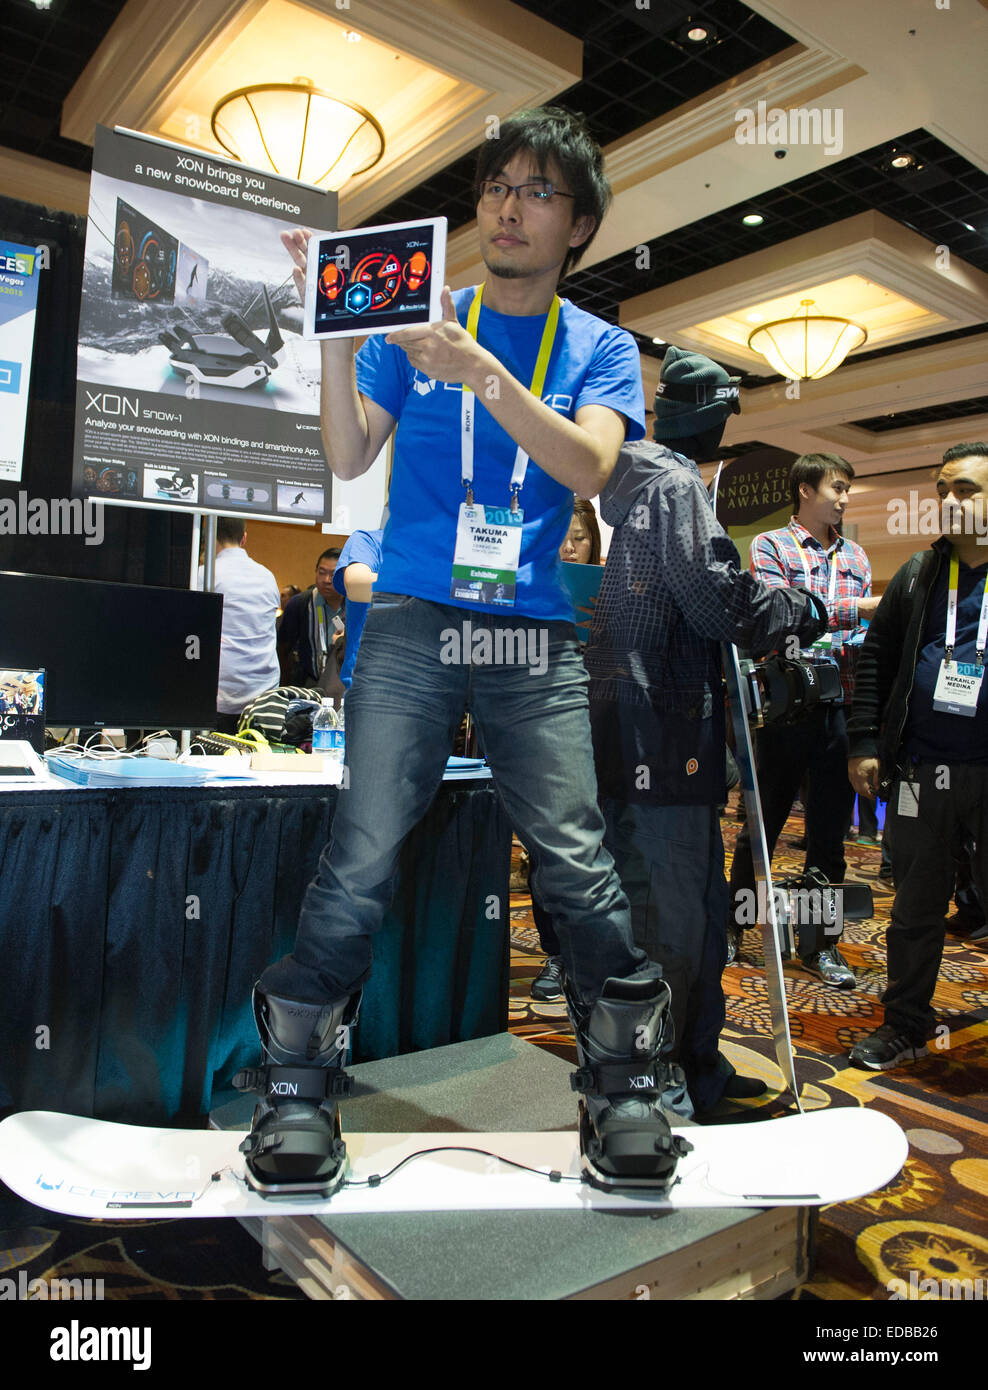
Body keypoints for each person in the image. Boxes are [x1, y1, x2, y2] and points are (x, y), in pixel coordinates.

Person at [236, 106, 688, 1196]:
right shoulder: (419, 317)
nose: (506, 206)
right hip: (408, 620)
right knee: (362, 850)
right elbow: (348, 449)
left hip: (530, 630)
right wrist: (342, 342)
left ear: (577, 226)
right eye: (496, 186)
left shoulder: (596, 347)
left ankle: (622, 1080)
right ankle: (297, 1083)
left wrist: (478, 367)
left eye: (536, 192)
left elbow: (589, 470)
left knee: (575, 858)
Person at [583, 349, 827, 1116]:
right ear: (716, 417)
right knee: (671, 924)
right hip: (660, 735)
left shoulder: (644, 485)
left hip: (656, 733)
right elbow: (719, 599)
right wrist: (797, 606)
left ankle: (695, 1069)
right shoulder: (675, 485)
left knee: (696, 915)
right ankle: (652, 1094)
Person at [846, 442, 988, 1068]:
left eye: (966, 490)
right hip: (919, 770)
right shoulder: (918, 574)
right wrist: (865, 742)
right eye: (944, 492)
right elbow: (875, 659)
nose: (951, 502)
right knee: (915, 908)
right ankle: (905, 1021)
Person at [727, 453, 877, 987]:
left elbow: (838, 630)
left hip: (844, 705)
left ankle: (820, 943)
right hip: (789, 708)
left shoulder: (856, 554)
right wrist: (852, 614)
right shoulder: (770, 546)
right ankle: (734, 925)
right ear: (805, 490)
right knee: (760, 826)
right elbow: (781, 615)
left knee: (829, 834)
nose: (843, 498)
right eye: (837, 487)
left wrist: (842, 623)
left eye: (847, 489)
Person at [530, 497, 603, 1001]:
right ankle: (555, 954)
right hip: (542, 724)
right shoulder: (527, 584)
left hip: (606, 724)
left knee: (601, 847)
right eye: (562, 536)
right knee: (547, 847)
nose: (569, 547)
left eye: (579, 538)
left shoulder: (611, 585)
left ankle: (597, 956)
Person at [196, 517, 280, 732]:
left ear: (209, 537)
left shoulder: (205, 575)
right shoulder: (267, 576)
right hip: (263, 691)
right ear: (244, 538)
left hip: (220, 689)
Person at [277, 549, 343, 686]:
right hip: (308, 682)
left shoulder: (357, 605)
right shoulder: (299, 604)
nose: (326, 580)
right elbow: (282, 647)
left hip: (343, 685)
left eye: (333, 574)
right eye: (322, 572)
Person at [332, 528, 384, 689]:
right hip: (371, 682)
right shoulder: (370, 540)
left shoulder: (449, 547)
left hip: (437, 681)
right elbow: (357, 584)